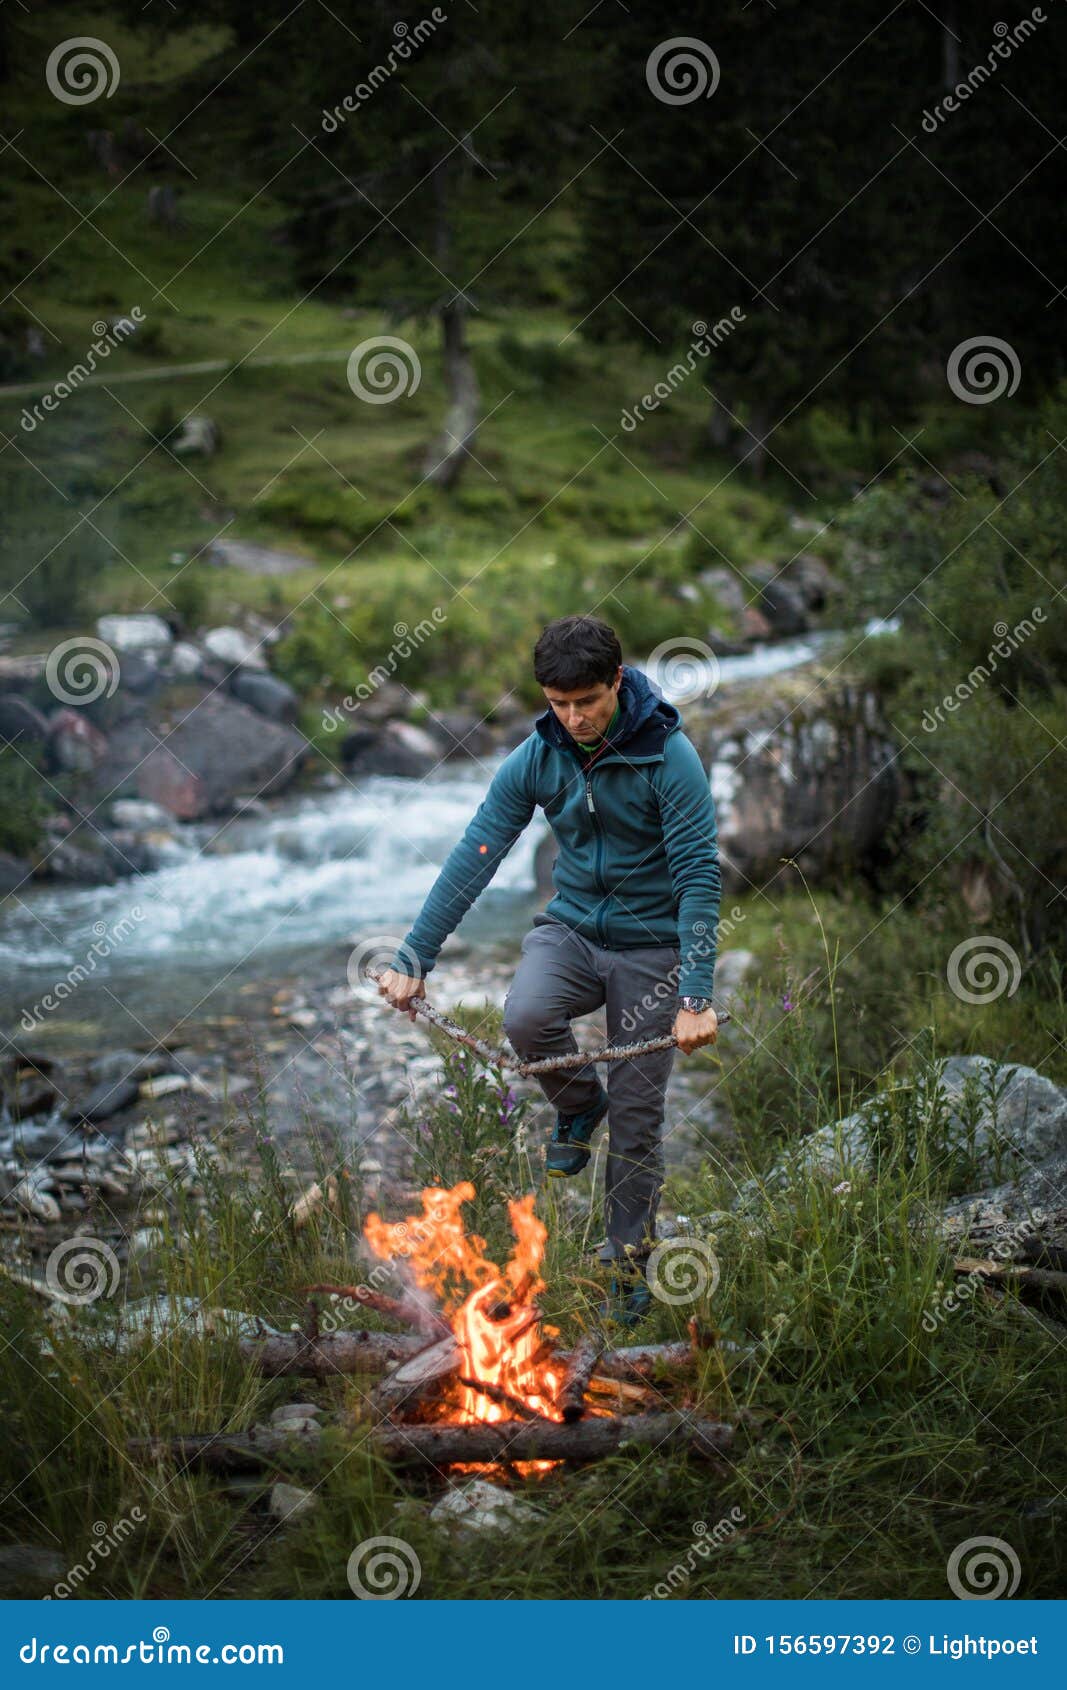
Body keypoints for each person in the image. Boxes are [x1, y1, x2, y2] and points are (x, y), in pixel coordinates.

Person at [376, 614, 721, 1326]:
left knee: (636, 1115)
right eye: (558, 704)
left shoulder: (668, 755)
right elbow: (479, 850)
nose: (573, 718)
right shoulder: (539, 753)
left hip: (652, 946)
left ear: (616, 684)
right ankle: (574, 1104)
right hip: (570, 929)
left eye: (586, 702)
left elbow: (696, 874)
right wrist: (414, 956)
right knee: (525, 1018)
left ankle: (627, 1260)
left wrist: (695, 993)